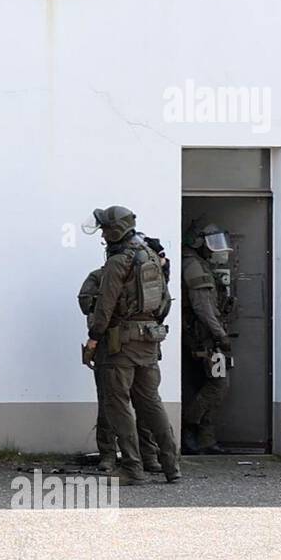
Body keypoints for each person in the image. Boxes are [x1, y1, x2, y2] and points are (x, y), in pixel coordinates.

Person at [82, 206, 181, 484]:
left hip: (121, 344)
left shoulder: (119, 261)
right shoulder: (151, 255)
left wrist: (94, 337)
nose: (102, 234)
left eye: (104, 229)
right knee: (151, 403)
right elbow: (164, 299)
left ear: (114, 230)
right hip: (149, 339)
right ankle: (171, 467)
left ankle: (132, 468)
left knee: (118, 404)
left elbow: (105, 305)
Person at [79, 267, 161, 473]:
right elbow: (86, 303)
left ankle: (148, 455)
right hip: (111, 348)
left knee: (146, 405)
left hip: (141, 347)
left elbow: (162, 306)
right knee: (110, 404)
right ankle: (108, 455)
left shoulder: (151, 276)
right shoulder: (100, 276)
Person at [181, 222, 235, 455]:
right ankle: (189, 428)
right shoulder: (194, 266)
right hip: (204, 337)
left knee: (206, 385)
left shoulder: (198, 264)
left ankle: (205, 439)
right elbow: (202, 308)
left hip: (205, 336)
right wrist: (220, 335)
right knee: (218, 384)